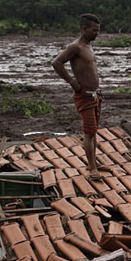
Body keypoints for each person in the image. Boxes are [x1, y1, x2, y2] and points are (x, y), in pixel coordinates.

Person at [51, 13, 106, 180]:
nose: (97, 34)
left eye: (98, 31)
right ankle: (91, 168)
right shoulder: (76, 47)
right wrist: (72, 82)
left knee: (93, 131)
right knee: (89, 132)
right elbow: (56, 62)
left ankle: (94, 162)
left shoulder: (88, 46)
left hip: (95, 95)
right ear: (84, 29)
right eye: (94, 30)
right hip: (85, 96)